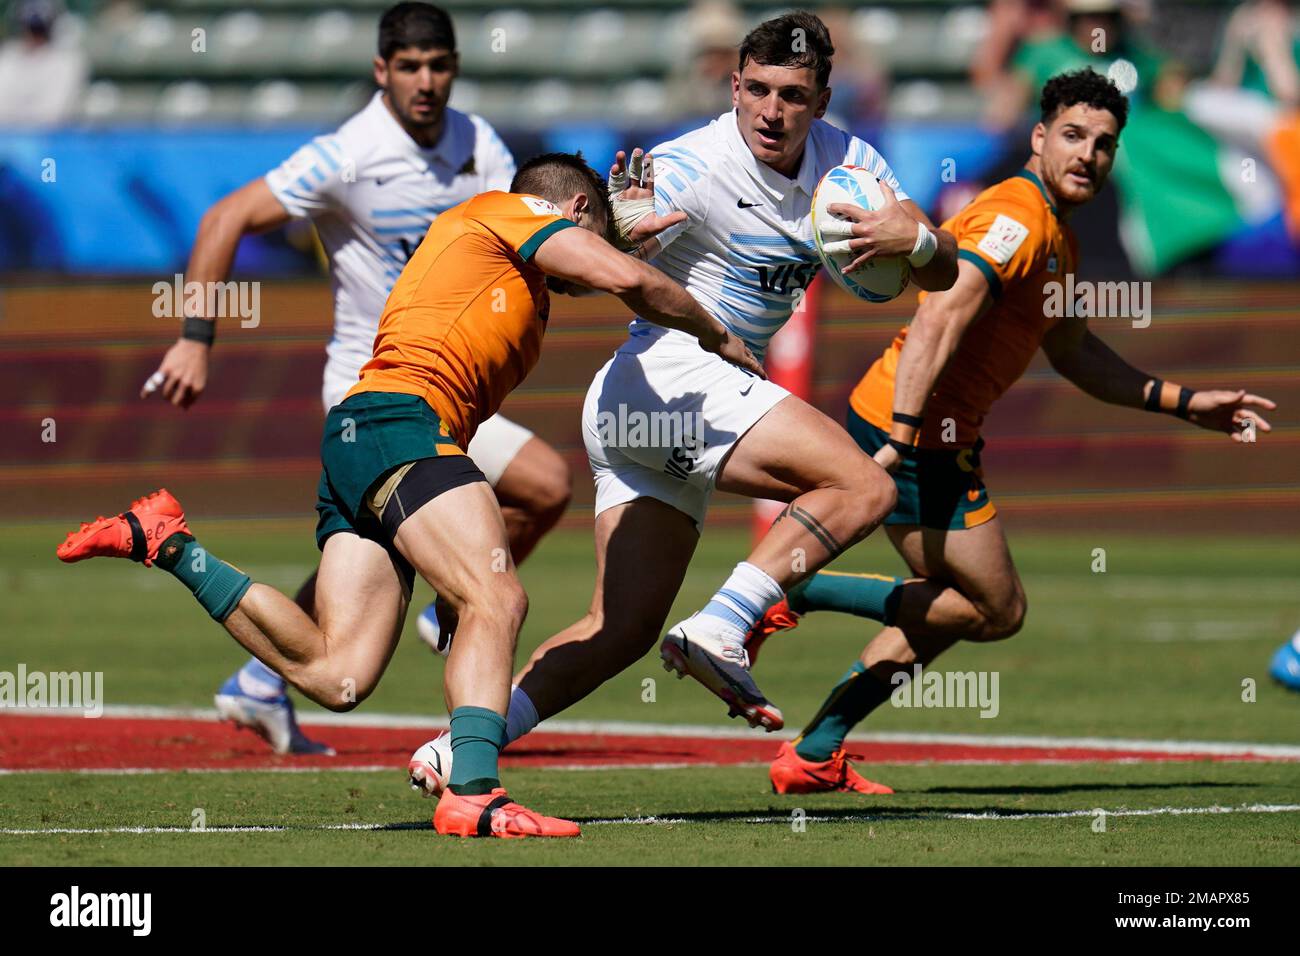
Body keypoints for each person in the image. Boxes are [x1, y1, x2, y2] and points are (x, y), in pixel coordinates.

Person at [58, 153, 764, 838]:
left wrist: (619, 239)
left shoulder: (512, 264)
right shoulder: (513, 210)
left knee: (337, 675)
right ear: (573, 209)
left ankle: (167, 543)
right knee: (496, 598)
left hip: (365, 434)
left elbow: (597, 272)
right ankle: (474, 794)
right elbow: (625, 280)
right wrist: (717, 333)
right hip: (401, 422)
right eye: (594, 227)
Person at [408, 11, 959, 795]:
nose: (772, 111)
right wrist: (621, 234)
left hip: (648, 407)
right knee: (862, 486)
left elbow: (941, 274)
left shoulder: (854, 166)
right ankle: (726, 621)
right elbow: (579, 256)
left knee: (618, 631)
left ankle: (454, 750)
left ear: (822, 100)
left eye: (792, 95)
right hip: (675, 376)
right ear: (733, 87)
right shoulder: (689, 165)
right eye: (757, 90)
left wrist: (922, 241)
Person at [742, 70, 1277, 794]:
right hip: (916, 434)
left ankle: (815, 748)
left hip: (934, 436)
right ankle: (797, 592)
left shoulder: (1057, 234)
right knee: (994, 609)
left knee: (965, 607)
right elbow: (941, 313)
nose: (1088, 154)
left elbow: (1075, 352)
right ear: (1039, 137)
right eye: (1073, 135)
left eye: (1104, 144)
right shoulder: (1019, 218)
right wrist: (902, 434)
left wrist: (1184, 402)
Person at [143, 3, 571, 754]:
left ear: (455, 67)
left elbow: (534, 233)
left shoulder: (478, 142)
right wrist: (194, 339)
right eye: (409, 66)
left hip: (442, 390)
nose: (425, 81)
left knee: (414, 537)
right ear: (382, 71)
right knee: (531, 488)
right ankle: (456, 622)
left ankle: (269, 675)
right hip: (371, 390)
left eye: (438, 65)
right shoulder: (347, 153)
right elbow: (223, 218)